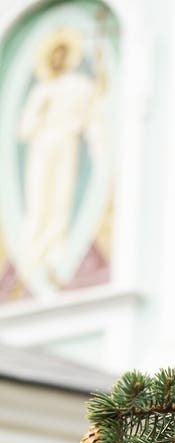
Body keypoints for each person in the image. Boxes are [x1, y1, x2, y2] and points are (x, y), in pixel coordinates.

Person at [18, 28, 107, 289]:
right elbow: (25, 129)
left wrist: (101, 154)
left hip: (67, 143)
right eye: (53, 55)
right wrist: (40, 110)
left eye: (62, 54)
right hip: (43, 146)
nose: (57, 60)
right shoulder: (42, 90)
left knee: (61, 196)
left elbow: (93, 119)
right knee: (39, 198)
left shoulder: (81, 87)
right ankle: (32, 259)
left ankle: (57, 257)